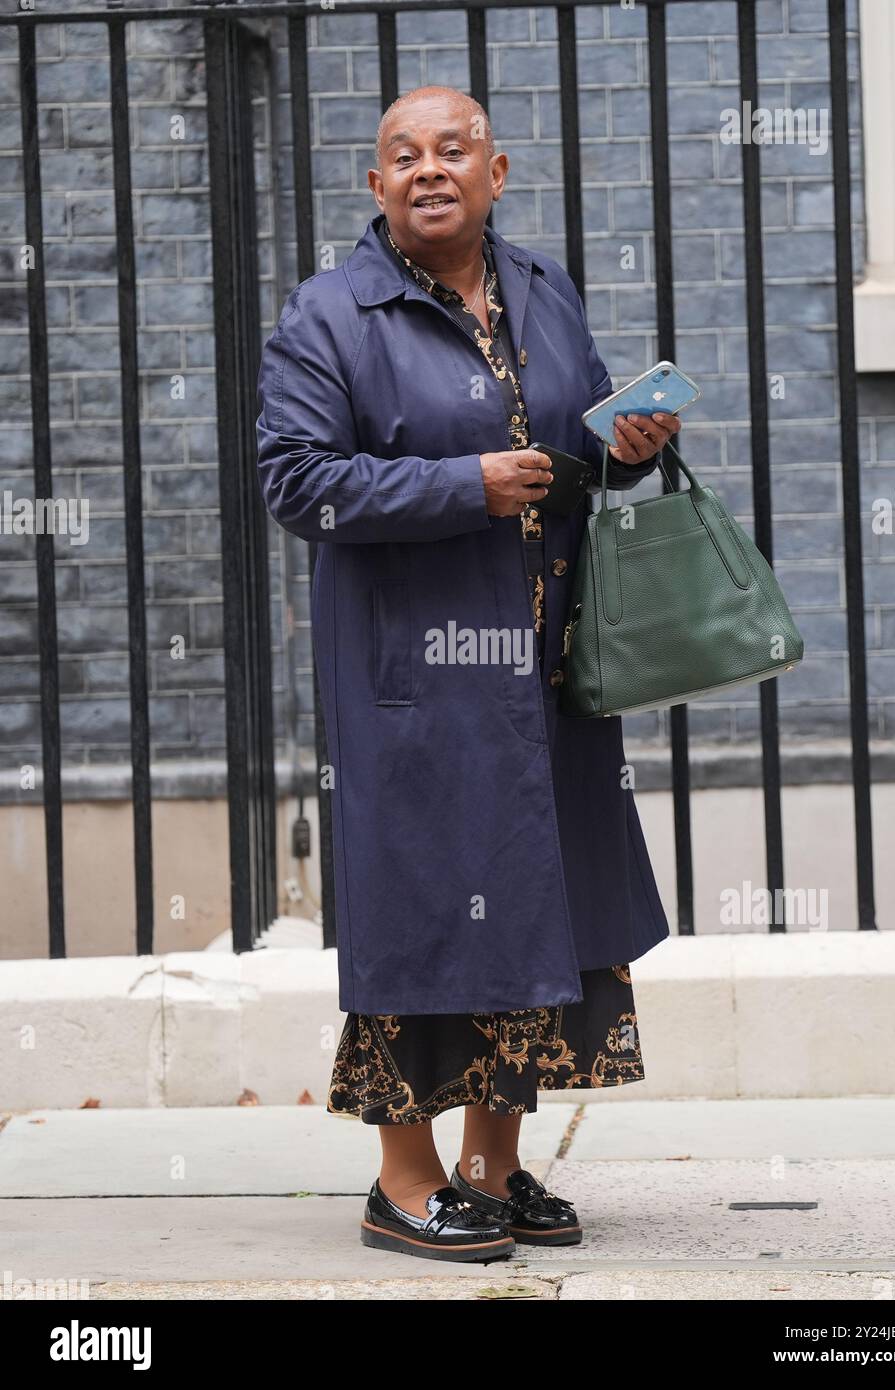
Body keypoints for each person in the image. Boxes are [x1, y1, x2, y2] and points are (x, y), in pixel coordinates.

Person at [256, 85, 681, 1263]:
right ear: (377, 187)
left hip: (545, 670)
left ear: (497, 173)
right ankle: (405, 1179)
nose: (429, 169)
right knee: (423, 917)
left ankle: (491, 1169)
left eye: (454, 150)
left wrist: (624, 447)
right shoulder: (330, 313)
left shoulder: (542, 290)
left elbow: (573, 457)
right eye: (404, 156)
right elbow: (298, 483)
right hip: (418, 683)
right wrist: (465, 486)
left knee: (539, 905)